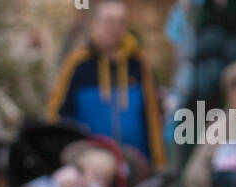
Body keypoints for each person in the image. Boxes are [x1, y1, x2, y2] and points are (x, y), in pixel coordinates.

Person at [46, 0, 167, 168]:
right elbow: (58, 114)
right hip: (90, 166)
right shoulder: (78, 64)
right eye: (109, 21)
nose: (115, 27)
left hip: (136, 164)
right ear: (95, 24)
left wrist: (158, 161)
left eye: (121, 21)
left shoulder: (138, 64)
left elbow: (152, 116)